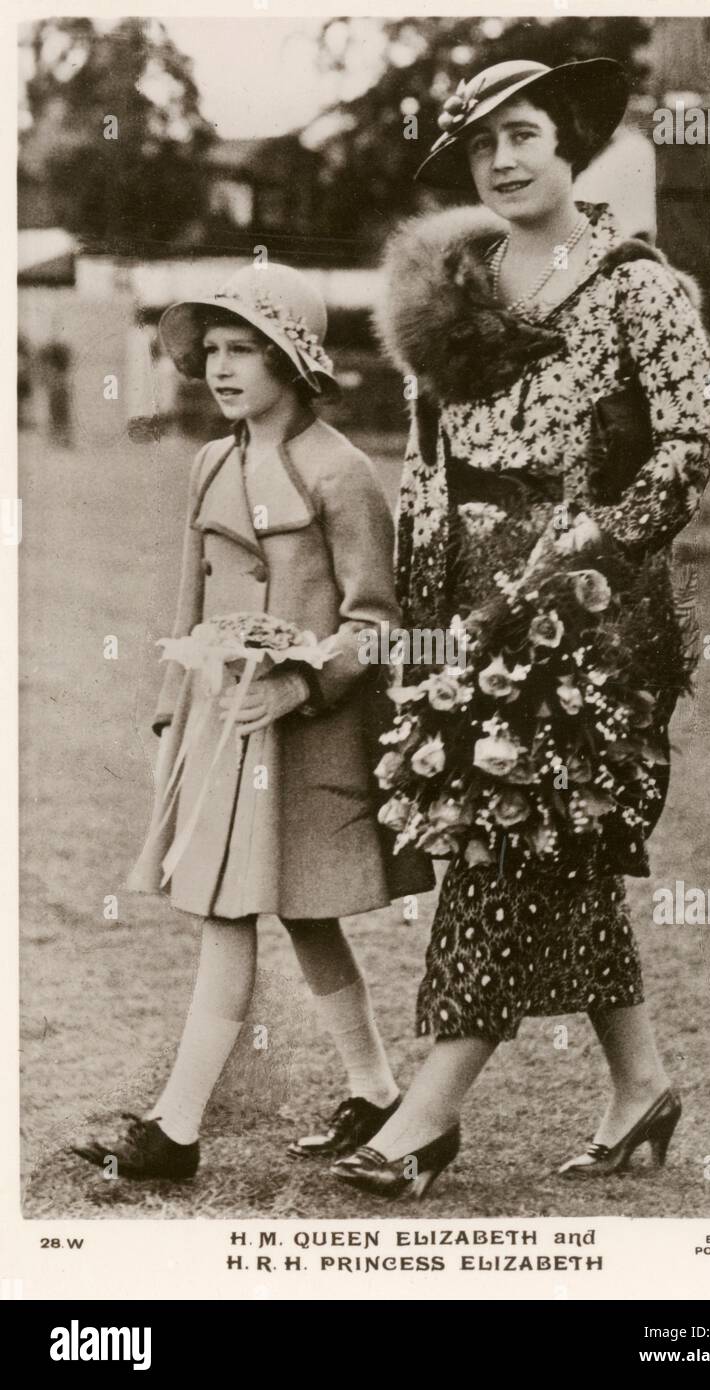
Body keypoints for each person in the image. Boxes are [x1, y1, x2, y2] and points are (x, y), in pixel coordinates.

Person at [333, 59, 710, 1200]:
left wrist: (589, 546)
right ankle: (639, 1081)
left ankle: (424, 1116)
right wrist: (415, 618)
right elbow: (428, 470)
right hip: (466, 609)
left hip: (593, 612)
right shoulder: (448, 286)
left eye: (525, 135)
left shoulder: (636, 286)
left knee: (512, 835)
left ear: (574, 142)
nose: (501, 160)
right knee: (552, 840)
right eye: (481, 144)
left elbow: (685, 446)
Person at [72, 262, 430, 1181]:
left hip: (305, 734)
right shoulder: (210, 460)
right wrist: (170, 720)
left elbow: (378, 623)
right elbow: (188, 599)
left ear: (293, 360)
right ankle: (371, 1092)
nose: (224, 368)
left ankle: (177, 1130)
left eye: (247, 350)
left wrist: (300, 690)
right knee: (247, 912)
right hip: (217, 722)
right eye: (214, 351)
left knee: (281, 911)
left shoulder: (342, 472)